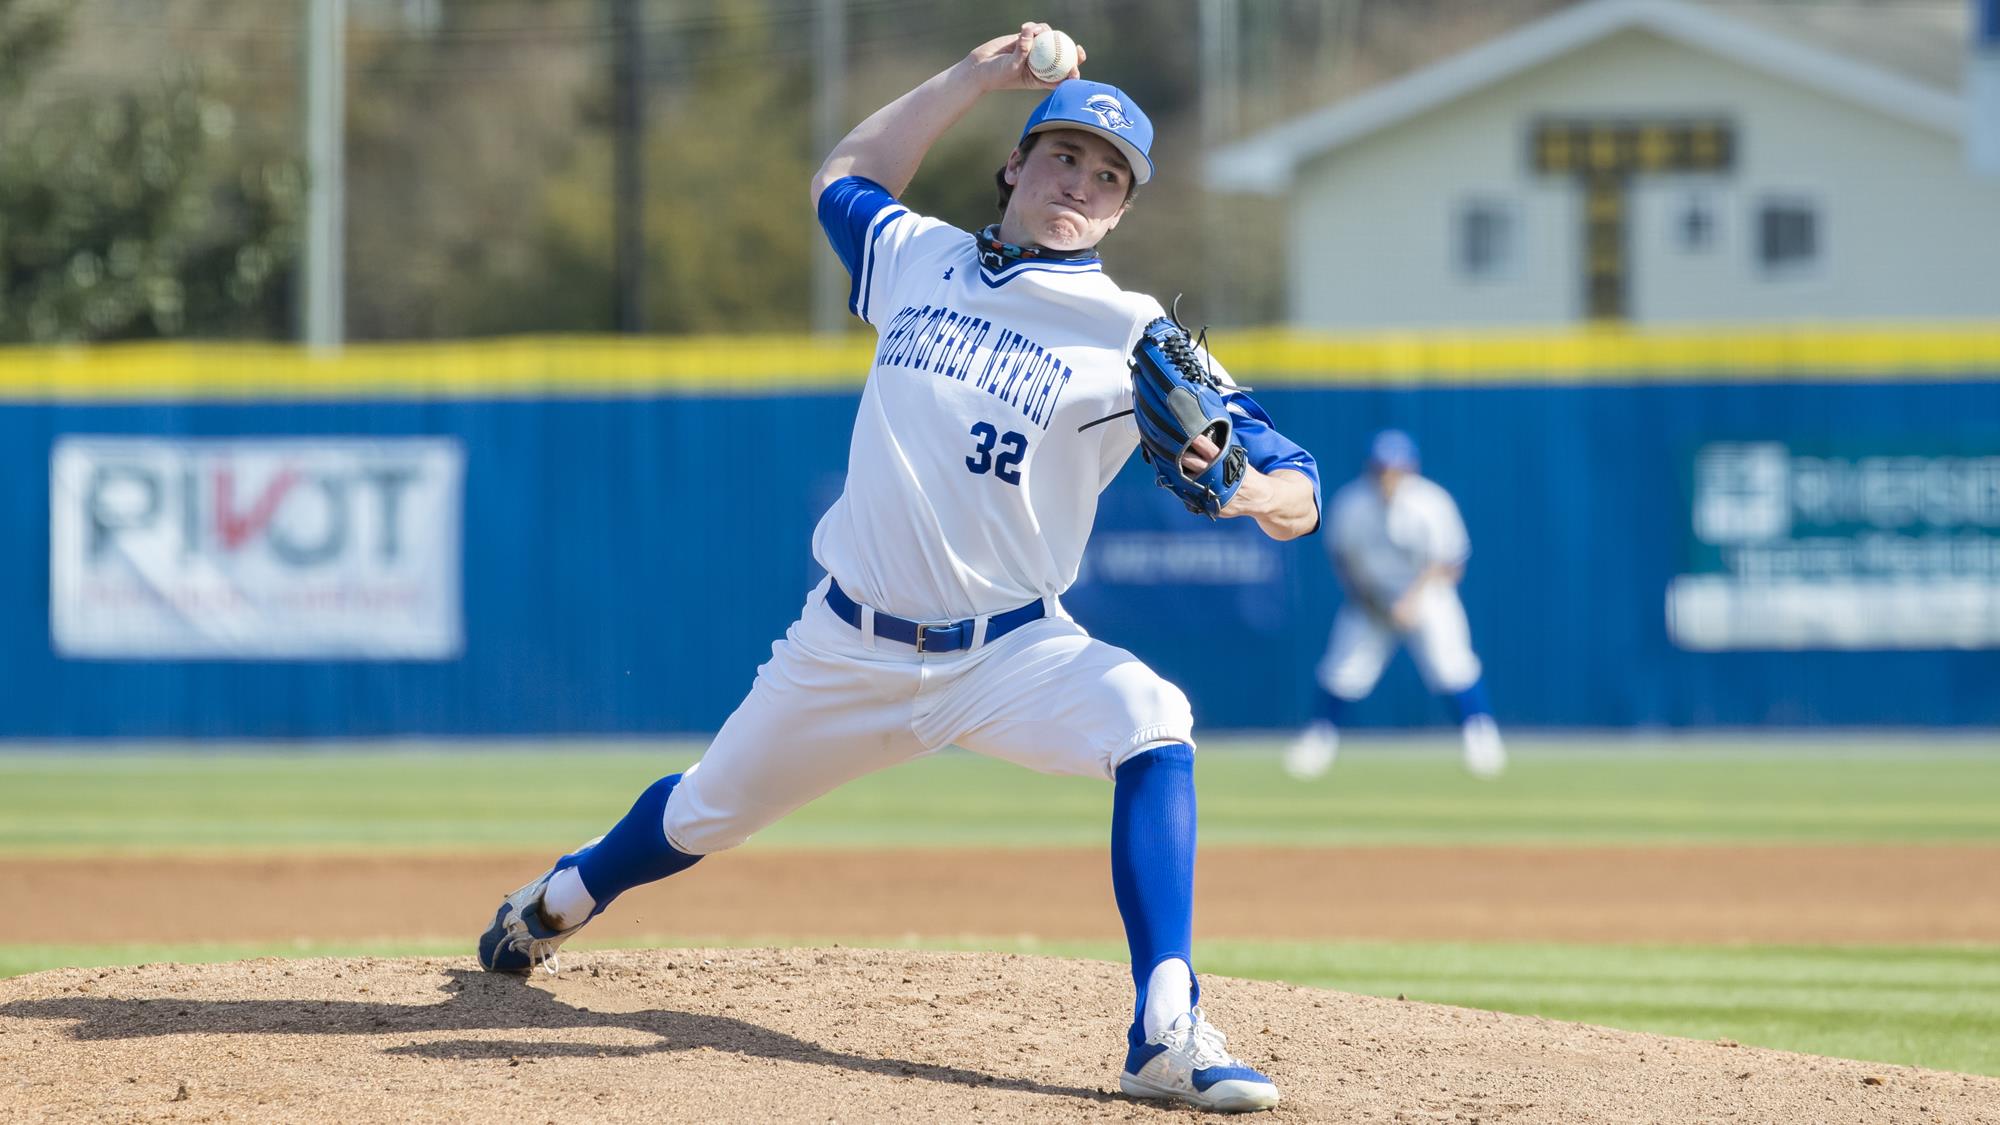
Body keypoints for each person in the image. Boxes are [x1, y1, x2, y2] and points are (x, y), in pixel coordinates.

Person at [476, 23, 1320, 1114]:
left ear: (1121, 210)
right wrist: (974, 77)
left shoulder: (1135, 335)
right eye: (1063, 154)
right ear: (1015, 165)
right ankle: (559, 899)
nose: (1081, 182)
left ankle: (1164, 1028)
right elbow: (845, 175)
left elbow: (1296, 488)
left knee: (1153, 719)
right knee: (699, 816)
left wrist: (1245, 491)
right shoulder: (920, 257)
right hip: (844, 647)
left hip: (1010, 651)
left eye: (1109, 177)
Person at [1283, 429, 1505, 780]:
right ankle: (1318, 740)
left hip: (1427, 595)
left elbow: (1451, 562)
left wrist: (1412, 600)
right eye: (1382, 468)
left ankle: (1481, 736)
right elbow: (1342, 557)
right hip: (1372, 598)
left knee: (1452, 666)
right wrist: (1368, 597)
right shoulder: (1352, 503)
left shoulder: (1432, 503)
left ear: (1410, 469)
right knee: (1343, 670)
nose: (1388, 476)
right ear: (1371, 468)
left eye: (1395, 468)